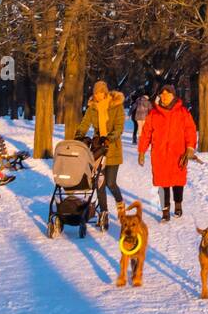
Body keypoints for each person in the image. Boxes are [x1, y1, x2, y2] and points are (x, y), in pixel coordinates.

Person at [138, 81, 197, 222]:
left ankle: (178, 205)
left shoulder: (183, 112)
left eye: (167, 94)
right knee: (162, 183)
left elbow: (190, 130)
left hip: (178, 153)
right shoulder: (154, 113)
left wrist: (190, 147)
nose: (164, 97)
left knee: (178, 182)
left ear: (173, 96)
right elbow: (146, 133)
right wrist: (141, 151)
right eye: (162, 94)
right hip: (160, 154)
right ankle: (165, 211)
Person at [74, 81, 127, 216]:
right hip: (98, 149)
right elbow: (85, 123)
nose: (97, 95)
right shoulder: (92, 108)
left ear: (105, 92)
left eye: (100, 92)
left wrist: (109, 138)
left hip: (113, 148)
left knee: (110, 183)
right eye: (95, 93)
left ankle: (120, 202)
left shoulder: (116, 106)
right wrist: (79, 135)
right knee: (99, 183)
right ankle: (104, 212)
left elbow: (119, 127)